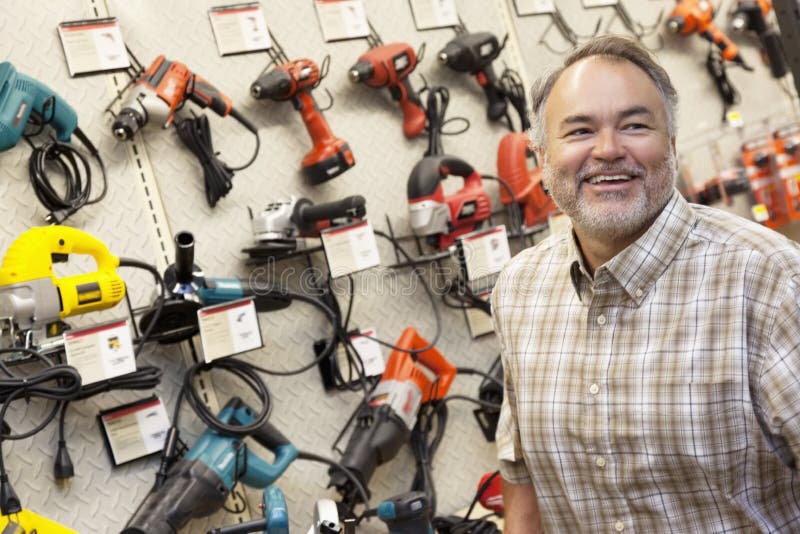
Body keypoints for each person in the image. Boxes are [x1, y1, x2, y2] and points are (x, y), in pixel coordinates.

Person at [491, 34, 800, 533]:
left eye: (635, 126)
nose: (609, 150)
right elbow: (521, 477)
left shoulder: (767, 280)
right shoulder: (518, 290)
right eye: (579, 131)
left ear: (671, 147)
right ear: (541, 159)